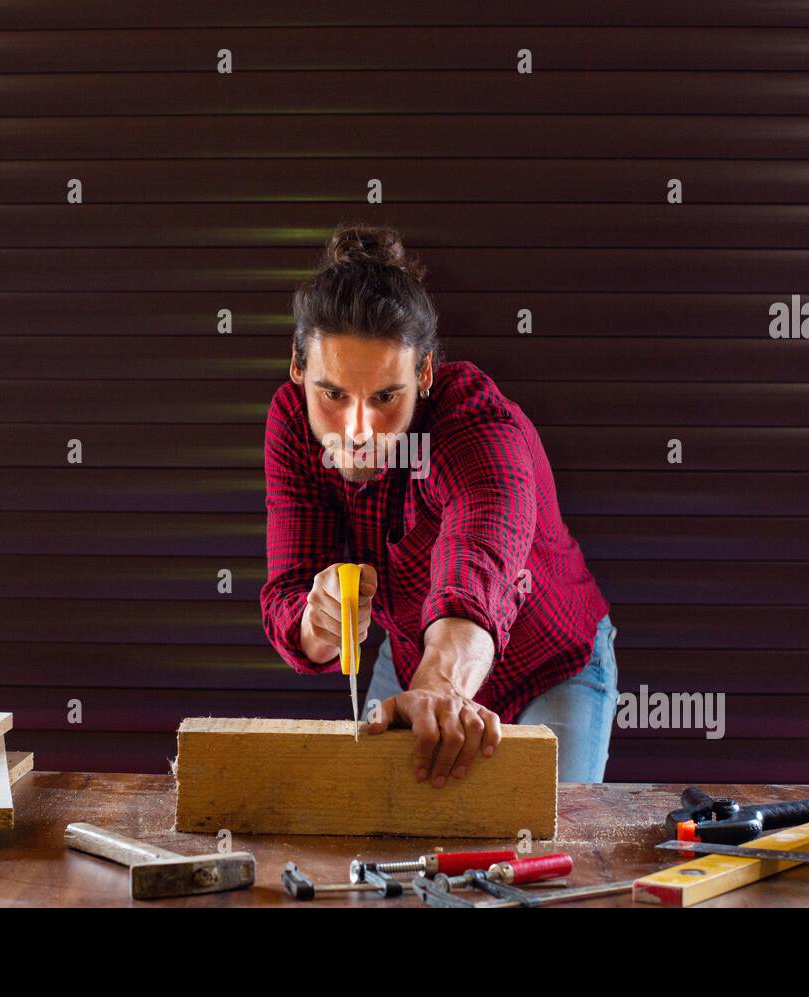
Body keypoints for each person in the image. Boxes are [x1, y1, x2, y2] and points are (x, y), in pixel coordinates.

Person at [260, 221, 618, 784]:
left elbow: (479, 553)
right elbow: (289, 586)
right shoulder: (291, 426)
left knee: (552, 849)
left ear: (424, 372)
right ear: (298, 369)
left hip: (552, 662)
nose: (357, 429)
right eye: (332, 394)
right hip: (412, 663)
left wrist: (440, 687)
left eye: (385, 397)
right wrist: (317, 621)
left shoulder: (475, 423)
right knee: (385, 839)